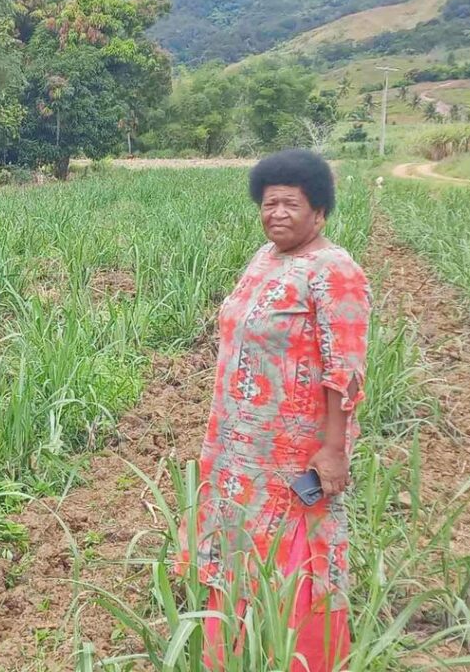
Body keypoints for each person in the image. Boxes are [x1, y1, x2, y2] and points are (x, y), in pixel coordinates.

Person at [180, 149, 371, 672]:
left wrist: (333, 451)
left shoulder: (334, 270)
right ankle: (237, 654)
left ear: (320, 210)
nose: (278, 213)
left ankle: (295, 659)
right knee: (239, 550)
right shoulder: (265, 258)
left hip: (294, 453)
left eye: (291, 203)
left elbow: (345, 373)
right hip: (240, 448)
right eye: (269, 203)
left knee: (289, 557)